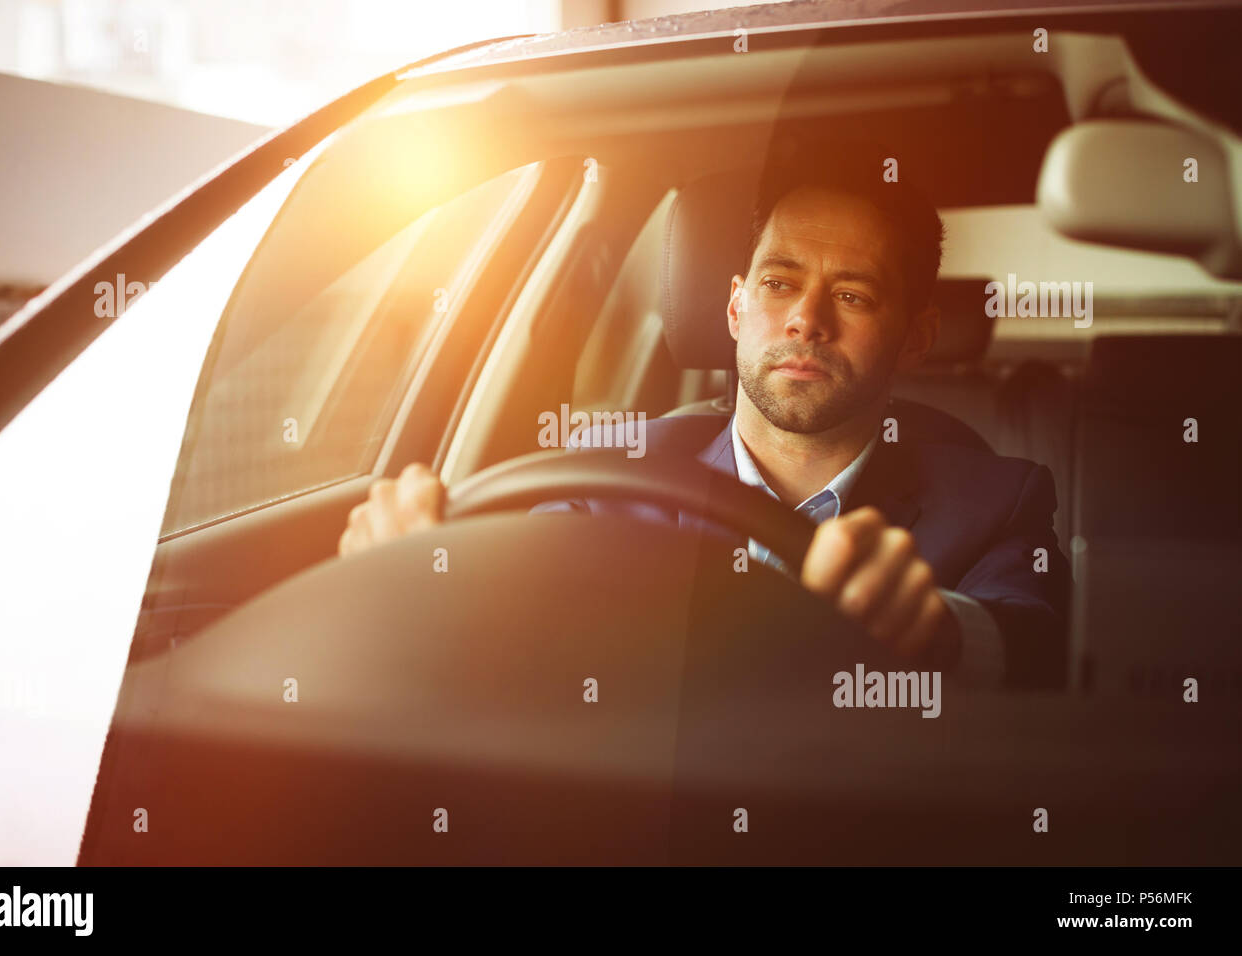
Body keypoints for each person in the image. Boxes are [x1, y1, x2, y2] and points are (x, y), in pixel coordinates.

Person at [337, 155, 1070, 688]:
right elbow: (522, 619)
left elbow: (1038, 651)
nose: (804, 321)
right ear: (734, 308)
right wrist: (420, 582)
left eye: (852, 296)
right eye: (778, 284)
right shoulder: (605, 477)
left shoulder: (998, 501)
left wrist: (934, 630)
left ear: (915, 337)